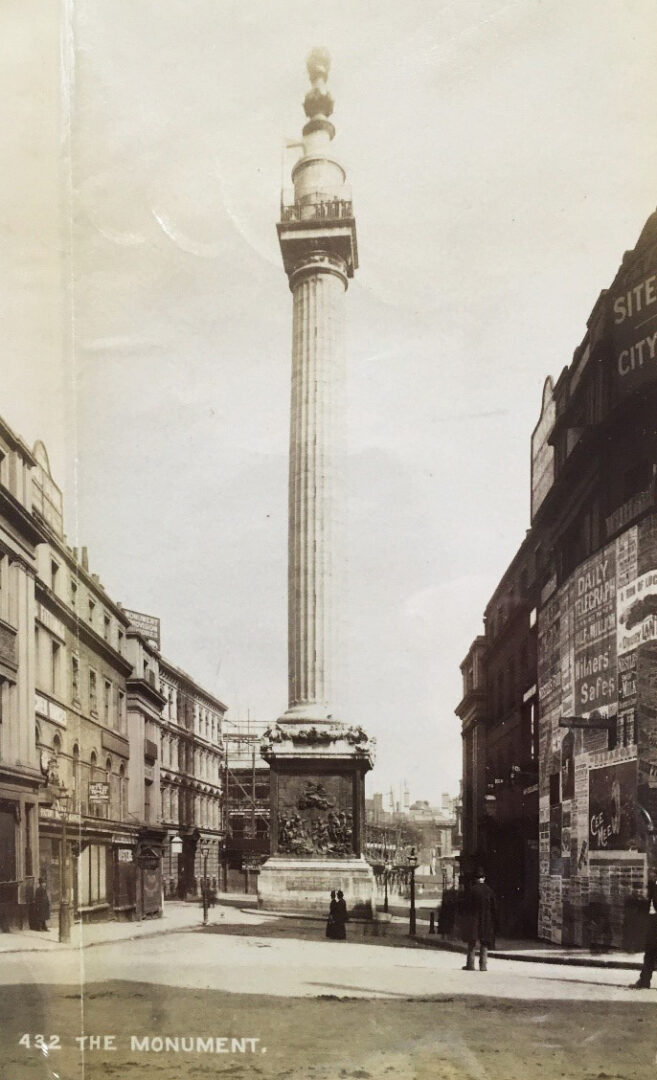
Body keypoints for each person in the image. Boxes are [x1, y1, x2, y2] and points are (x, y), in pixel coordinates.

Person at [460, 868, 496, 971]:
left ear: (476, 879)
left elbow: (466, 905)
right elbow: (494, 907)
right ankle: (483, 965)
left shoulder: (472, 890)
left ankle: (470, 964)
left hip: (473, 919)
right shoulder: (489, 891)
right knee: (484, 942)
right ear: (484, 878)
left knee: (472, 942)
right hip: (486, 919)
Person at [631, 876, 657, 988]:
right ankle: (644, 980)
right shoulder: (653, 883)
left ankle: (644, 980)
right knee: (650, 952)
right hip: (653, 921)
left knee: (650, 952)